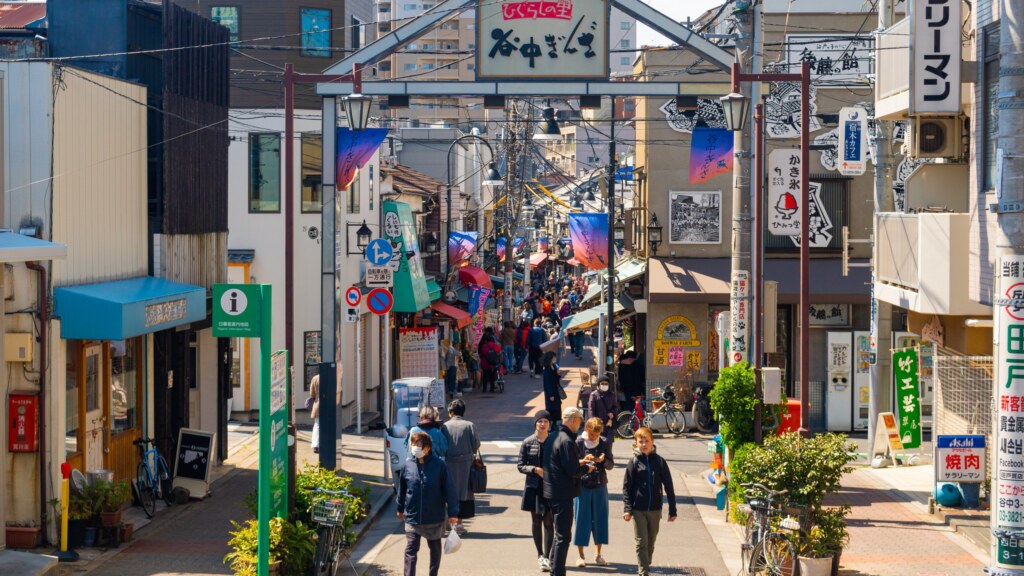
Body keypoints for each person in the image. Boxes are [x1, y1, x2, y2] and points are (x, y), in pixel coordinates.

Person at [398, 431, 459, 576]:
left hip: (434, 517)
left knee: (435, 550)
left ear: (427, 448)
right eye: (413, 444)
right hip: (413, 516)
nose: (415, 448)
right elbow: (402, 489)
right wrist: (400, 508)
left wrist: (453, 512)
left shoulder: (439, 465)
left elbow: (449, 490)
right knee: (411, 549)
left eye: (419, 445)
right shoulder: (407, 465)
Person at [622, 427, 678, 576]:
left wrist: (673, 510)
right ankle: (643, 571)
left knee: (650, 542)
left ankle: (646, 564)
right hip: (638, 509)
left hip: (655, 509)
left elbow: (669, 487)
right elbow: (626, 488)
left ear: (652, 442)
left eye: (647, 441)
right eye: (641, 441)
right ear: (636, 443)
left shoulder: (659, 462)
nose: (644, 444)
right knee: (641, 543)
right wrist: (627, 509)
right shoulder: (633, 462)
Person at [543, 406, 591, 576]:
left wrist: (580, 463)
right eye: (578, 421)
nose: (579, 425)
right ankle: (558, 572)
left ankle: (555, 570)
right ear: (572, 420)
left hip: (551, 491)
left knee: (559, 535)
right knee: (564, 537)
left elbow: (559, 463)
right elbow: (571, 469)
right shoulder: (566, 440)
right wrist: (586, 469)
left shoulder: (553, 436)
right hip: (562, 492)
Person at [518, 410, 556, 572]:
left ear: (549, 424)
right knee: (536, 522)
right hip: (533, 487)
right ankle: (540, 555)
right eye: (539, 421)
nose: (542, 424)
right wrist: (534, 469)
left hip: (550, 487)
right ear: (535, 423)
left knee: (549, 522)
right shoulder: (528, 442)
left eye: (545, 421)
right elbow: (520, 465)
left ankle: (547, 556)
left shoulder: (554, 441)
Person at [574, 417, 613, 567]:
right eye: (591, 435)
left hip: (600, 485)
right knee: (581, 520)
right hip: (582, 486)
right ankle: (580, 555)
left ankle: (598, 554)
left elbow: (611, 465)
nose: (594, 438)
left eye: (596, 435)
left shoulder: (604, 442)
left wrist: (603, 461)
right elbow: (572, 465)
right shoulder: (578, 442)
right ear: (586, 430)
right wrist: (584, 460)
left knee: (600, 519)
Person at [442, 399, 480, 535]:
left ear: (450, 412)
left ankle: (448, 523)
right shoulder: (470, 425)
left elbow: (441, 446)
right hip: (466, 465)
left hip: (449, 464)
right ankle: (459, 525)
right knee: (464, 493)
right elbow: (476, 444)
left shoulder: (444, 426)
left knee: (448, 493)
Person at [587, 376, 619, 457]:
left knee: (608, 442)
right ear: (598, 384)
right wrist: (593, 421)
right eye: (602, 383)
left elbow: (616, 407)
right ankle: (596, 457)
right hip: (597, 423)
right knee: (596, 440)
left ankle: (608, 458)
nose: (604, 385)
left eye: (606, 383)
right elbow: (591, 409)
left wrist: (612, 413)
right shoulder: (594, 395)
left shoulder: (612, 395)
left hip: (608, 423)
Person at [542, 352, 563, 425]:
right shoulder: (547, 370)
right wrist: (551, 395)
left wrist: (558, 374)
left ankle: (555, 422)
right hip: (551, 392)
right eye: (553, 358)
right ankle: (551, 423)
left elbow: (556, 379)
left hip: (555, 391)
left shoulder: (553, 367)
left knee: (556, 407)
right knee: (552, 408)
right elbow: (548, 383)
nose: (555, 359)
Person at [308, 374, 321, 454]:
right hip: (329, 405)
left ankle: (315, 445)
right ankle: (327, 444)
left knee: (317, 426)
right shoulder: (331, 376)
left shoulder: (315, 378)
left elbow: (311, 394)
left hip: (318, 404)